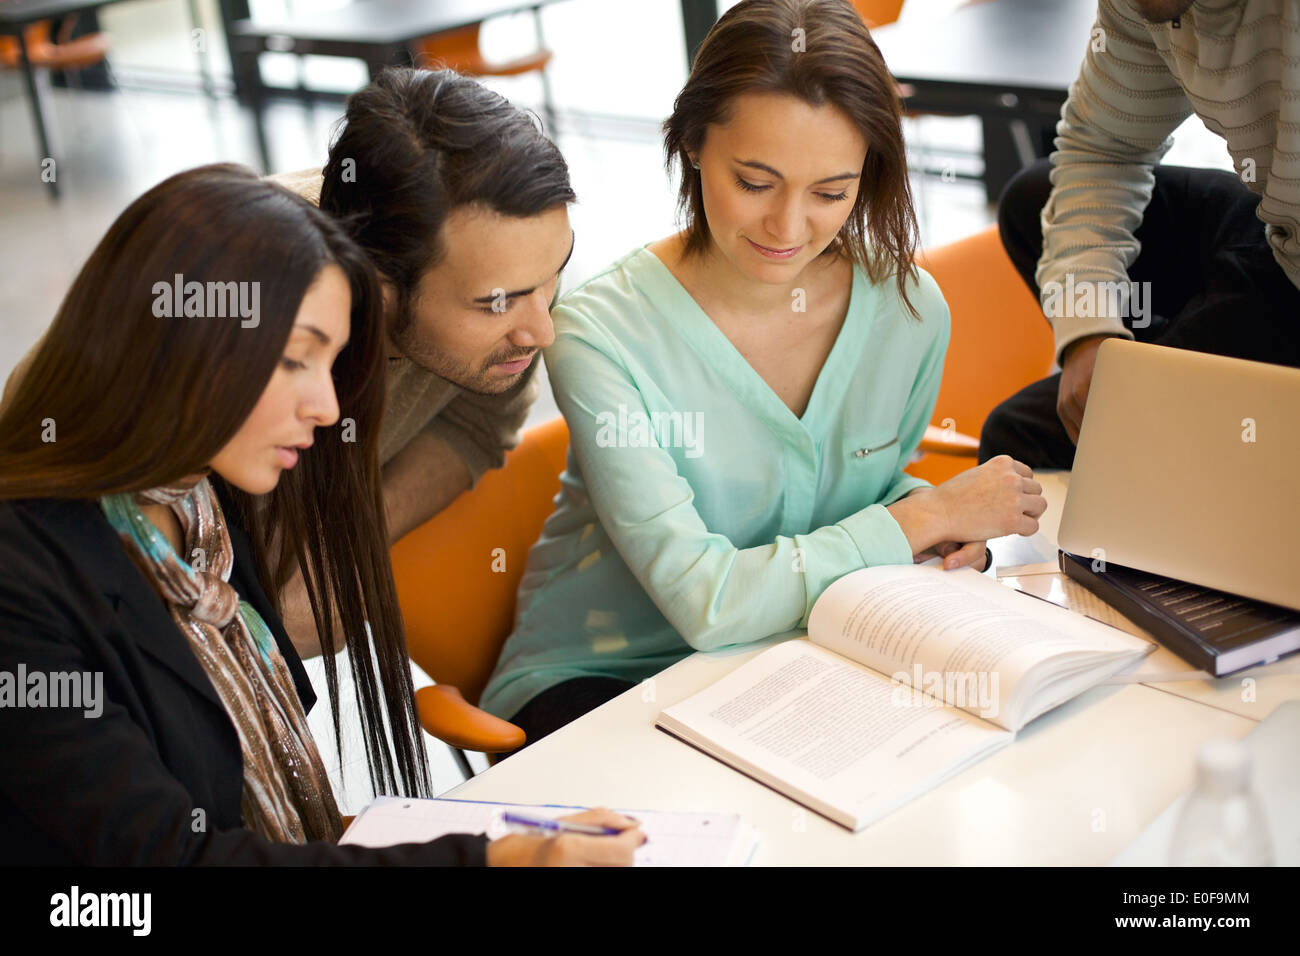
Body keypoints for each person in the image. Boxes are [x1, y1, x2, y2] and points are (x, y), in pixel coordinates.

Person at [0, 165, 642, 865]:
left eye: (330, 364)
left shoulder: (200, 510)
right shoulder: (23, 586)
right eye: (293, 361)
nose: (328, 408)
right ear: (177, 345)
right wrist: (488, 861)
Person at [478, 0, 1047, 745]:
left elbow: (858, 494)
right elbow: (707, 605)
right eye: (754, 182)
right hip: (608, 680)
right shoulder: (598, 332)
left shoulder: (908, 308)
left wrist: (936, 525)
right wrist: (927, 518)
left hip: (798, 648)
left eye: (830, 193)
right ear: (690, 143)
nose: (787, 229)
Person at [271, 67, 576, 659]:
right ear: (378, 289)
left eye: (554, 274)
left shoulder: (512, 273)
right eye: (499, 303)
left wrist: (350, 541)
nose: (543, 329)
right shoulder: (242, 328)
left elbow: (478, 422)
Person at [981, 0, 1300, 469]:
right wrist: (1088, 330)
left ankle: (1183, 449)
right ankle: (1162, 387)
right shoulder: (1141, 5)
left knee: (1022, 437)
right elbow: (1102, 150)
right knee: (1031, 200)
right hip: (1278, 230)